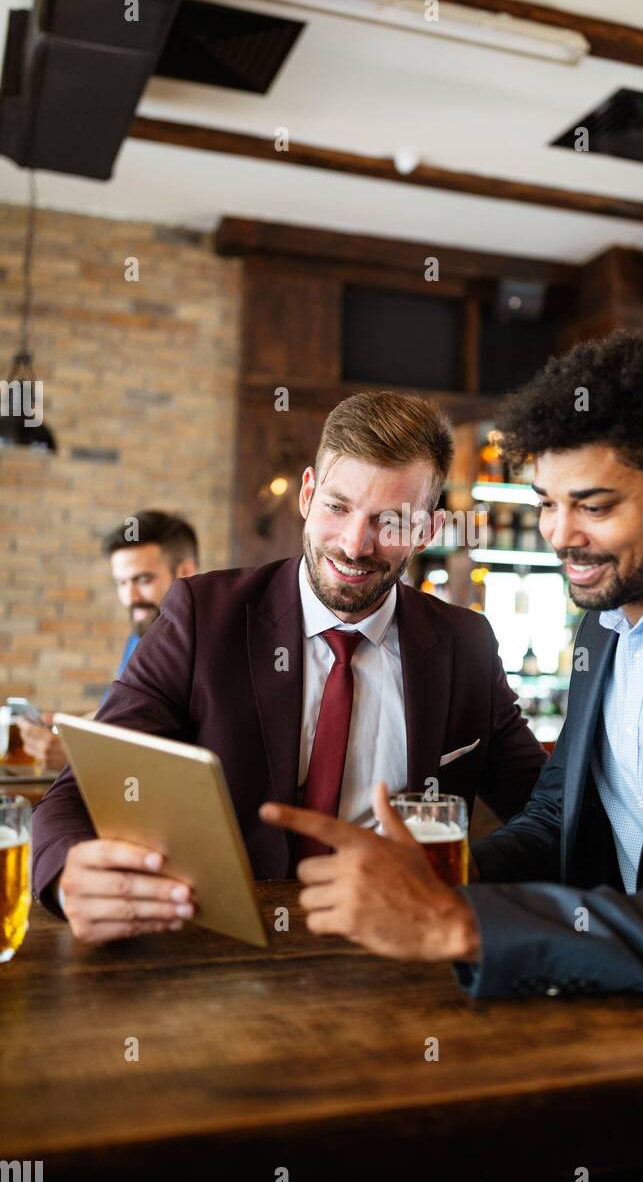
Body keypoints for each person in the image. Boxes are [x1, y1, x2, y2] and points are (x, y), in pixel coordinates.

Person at [265, 330, 643, 1174]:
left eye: (594, 504)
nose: (560, 534)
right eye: (546, 501)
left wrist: (458, 920)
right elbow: (558, 819)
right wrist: (437, 875)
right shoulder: (603, 629)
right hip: (622, 1026)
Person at [31, 391, 545, 945]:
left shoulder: (465, 643)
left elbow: (543, 811)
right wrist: (68, 874)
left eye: (390, 521)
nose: (354, 544)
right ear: (307, 494)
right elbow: (79, 790)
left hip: (399, 955)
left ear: (427, 530)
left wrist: (458, 876)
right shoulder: (203, 616)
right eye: (338, 507)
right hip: (221, 949)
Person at [17, 511, 198, 771]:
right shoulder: (140, 638)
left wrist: (81, 756)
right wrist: (64, 727)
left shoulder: (207, 650)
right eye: (121, 583)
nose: (129, 597)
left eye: (143, 580)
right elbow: (121, 711)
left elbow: (187, 758)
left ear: (185, 571)